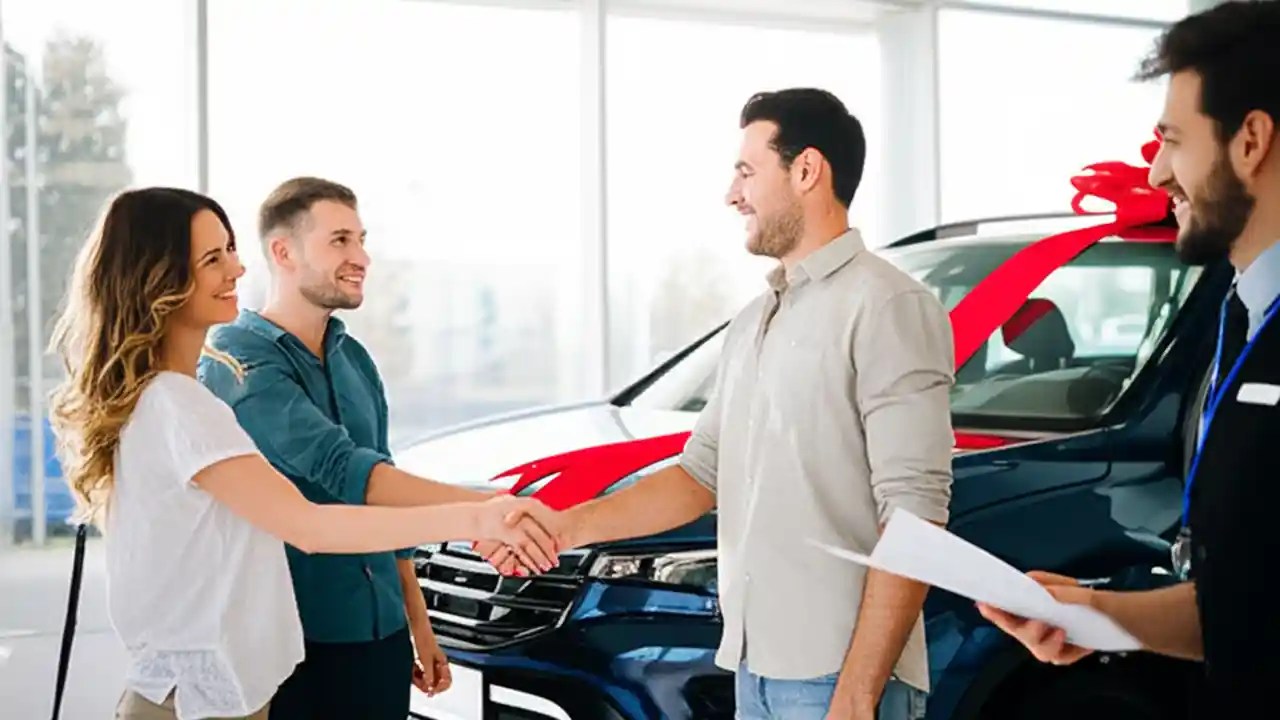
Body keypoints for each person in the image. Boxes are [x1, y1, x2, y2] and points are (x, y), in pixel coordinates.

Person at [486, 88, 954, 719]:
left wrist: (858, 693)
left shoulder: (888, 305)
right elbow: (698, 476)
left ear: (806, 170)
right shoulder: (755, 320)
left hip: (839, 678)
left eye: (746, 172)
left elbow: (915, 515)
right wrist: (565, 527)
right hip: (753, 668)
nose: (733, 195)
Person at [45, 187, 559, 720]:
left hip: (211, 693)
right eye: (212, 259)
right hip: (197, 700)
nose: (237, 268)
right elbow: (310, 524)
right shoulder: (183, 404)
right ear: (159, 281)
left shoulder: (170, 398)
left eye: (230, 250)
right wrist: (480, 516)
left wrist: (419, 612)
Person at [976, 1, 1280, 714]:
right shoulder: (1242, 318)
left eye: (1173, 140)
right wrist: (1093, 613)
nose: (1157, 176)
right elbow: (1247, 604)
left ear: (1251, 141)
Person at [197, 177, 547, 720]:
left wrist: (418, 624)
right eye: (339, 240)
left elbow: (385, 492)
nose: (361, 257)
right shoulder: (236, 360)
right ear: (283, 252)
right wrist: (490, 511)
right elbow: (345, 471)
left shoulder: (354, 358)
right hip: (294, 646)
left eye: (361, 240)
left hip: (379, 637)